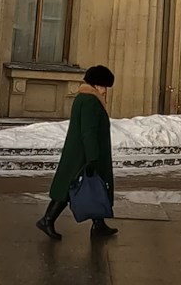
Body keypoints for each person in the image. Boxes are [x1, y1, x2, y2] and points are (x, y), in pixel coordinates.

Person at [38, 65, 118, 240]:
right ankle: (47, 219)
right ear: (96, 85)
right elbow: (88, 131)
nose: (105, 92)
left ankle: (99, 224)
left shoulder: (85, 98)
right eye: (104, 87)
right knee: (72, 187)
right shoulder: (90, 101)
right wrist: (92, 157)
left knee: (92, 186)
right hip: (83, 154)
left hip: (81, 152)